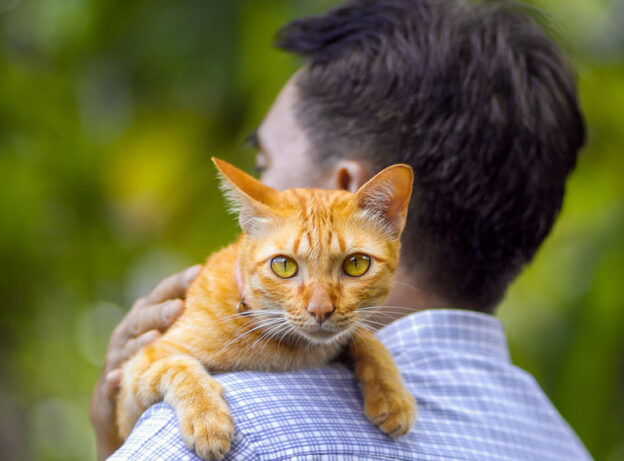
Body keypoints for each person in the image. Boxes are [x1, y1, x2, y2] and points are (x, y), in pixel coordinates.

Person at [91, 0, 589, 459]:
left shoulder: (219, 430)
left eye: (263, 162)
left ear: (351, 193)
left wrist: (115, 436)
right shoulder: (564, 445)